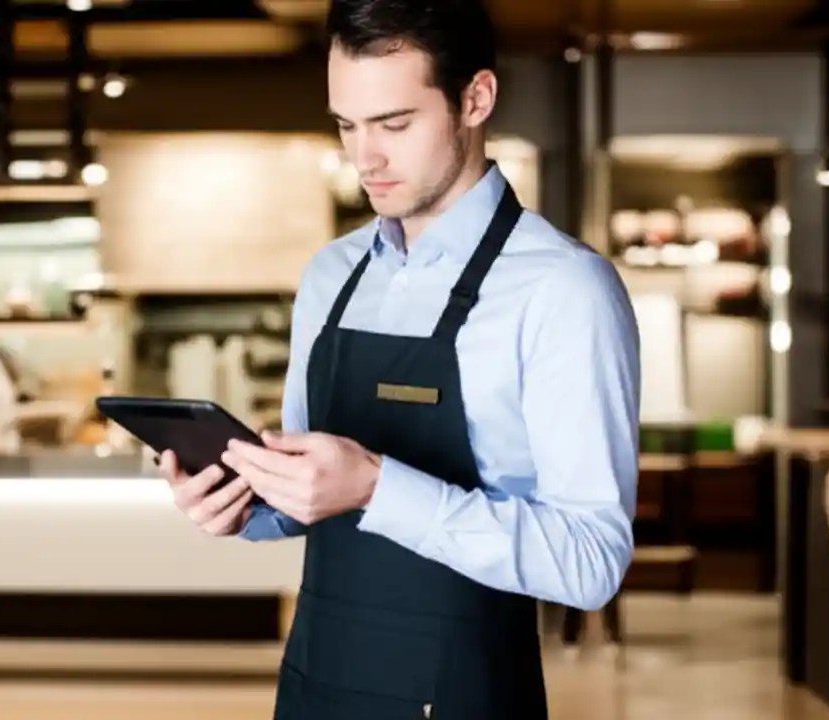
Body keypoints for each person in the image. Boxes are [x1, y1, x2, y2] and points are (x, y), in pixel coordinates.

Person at [159, 0, 640, 717]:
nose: (365, 158)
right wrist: (245, 503)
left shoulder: (561, 287)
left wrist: (378, 488)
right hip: (314, 684)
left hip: (461, 694)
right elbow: (305, 493)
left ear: (474, 99)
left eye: (394, 124)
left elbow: (591, 562)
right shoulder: (331, 274)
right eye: (347, 125)